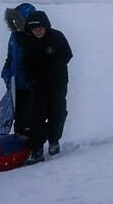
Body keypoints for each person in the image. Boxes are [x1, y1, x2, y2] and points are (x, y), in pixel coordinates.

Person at [18, 9, 71, 161]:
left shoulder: (57, 37)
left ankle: (54, 140)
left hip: (57, 84)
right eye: (35, 29)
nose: (39, 32)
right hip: (38, 86)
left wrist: (53, 59)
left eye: (41, 28)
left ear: (46, 26)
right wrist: (30, 78)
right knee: (36, 117)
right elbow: (25, 63)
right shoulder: (29, 43)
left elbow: (67, 54)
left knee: (58, 113)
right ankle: (37, 148)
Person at [0, 3, 36, 139]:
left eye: (19, 20)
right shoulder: (14, 37)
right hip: (16, 86)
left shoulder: (33, 37)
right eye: (14, 20)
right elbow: (9, 60)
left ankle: (33, 144)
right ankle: (19, 140)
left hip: (31, 86)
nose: (16, 23)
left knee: (31, 117)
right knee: (19, 117)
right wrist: (7, 76)